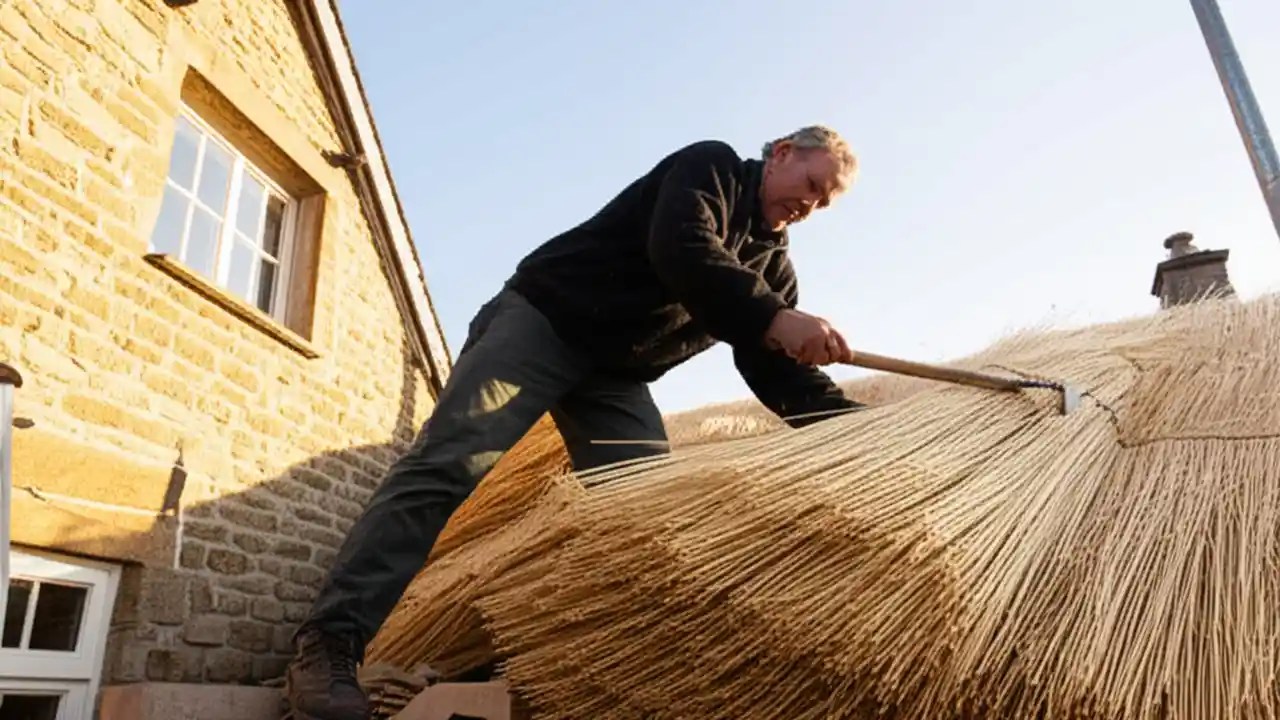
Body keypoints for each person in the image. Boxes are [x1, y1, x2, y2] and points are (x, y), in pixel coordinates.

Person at [286, 124, 866, 719]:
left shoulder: (776, 272)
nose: (809, 204)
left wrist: (857, 429)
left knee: (643, 517)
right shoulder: (711, 168)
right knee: (446, 468)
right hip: (545, 321)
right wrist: (774, 318)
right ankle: (327, 646)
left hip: (614, 376)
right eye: (812, 184)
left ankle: (601, 681)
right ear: (782, 154)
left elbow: (779, 375)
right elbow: (683, 248)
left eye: (822, 203)